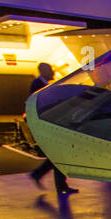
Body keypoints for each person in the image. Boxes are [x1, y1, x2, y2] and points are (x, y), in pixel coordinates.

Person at [28, 63, 77, 195]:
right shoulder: (37, 85)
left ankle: (46, 178)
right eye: (50, 70)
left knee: (57, 156)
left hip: (52, 123)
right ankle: (54, 182)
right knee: (58, 155)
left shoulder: (44, 84)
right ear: (43, 71)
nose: (53, 72)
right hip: (48, 125)